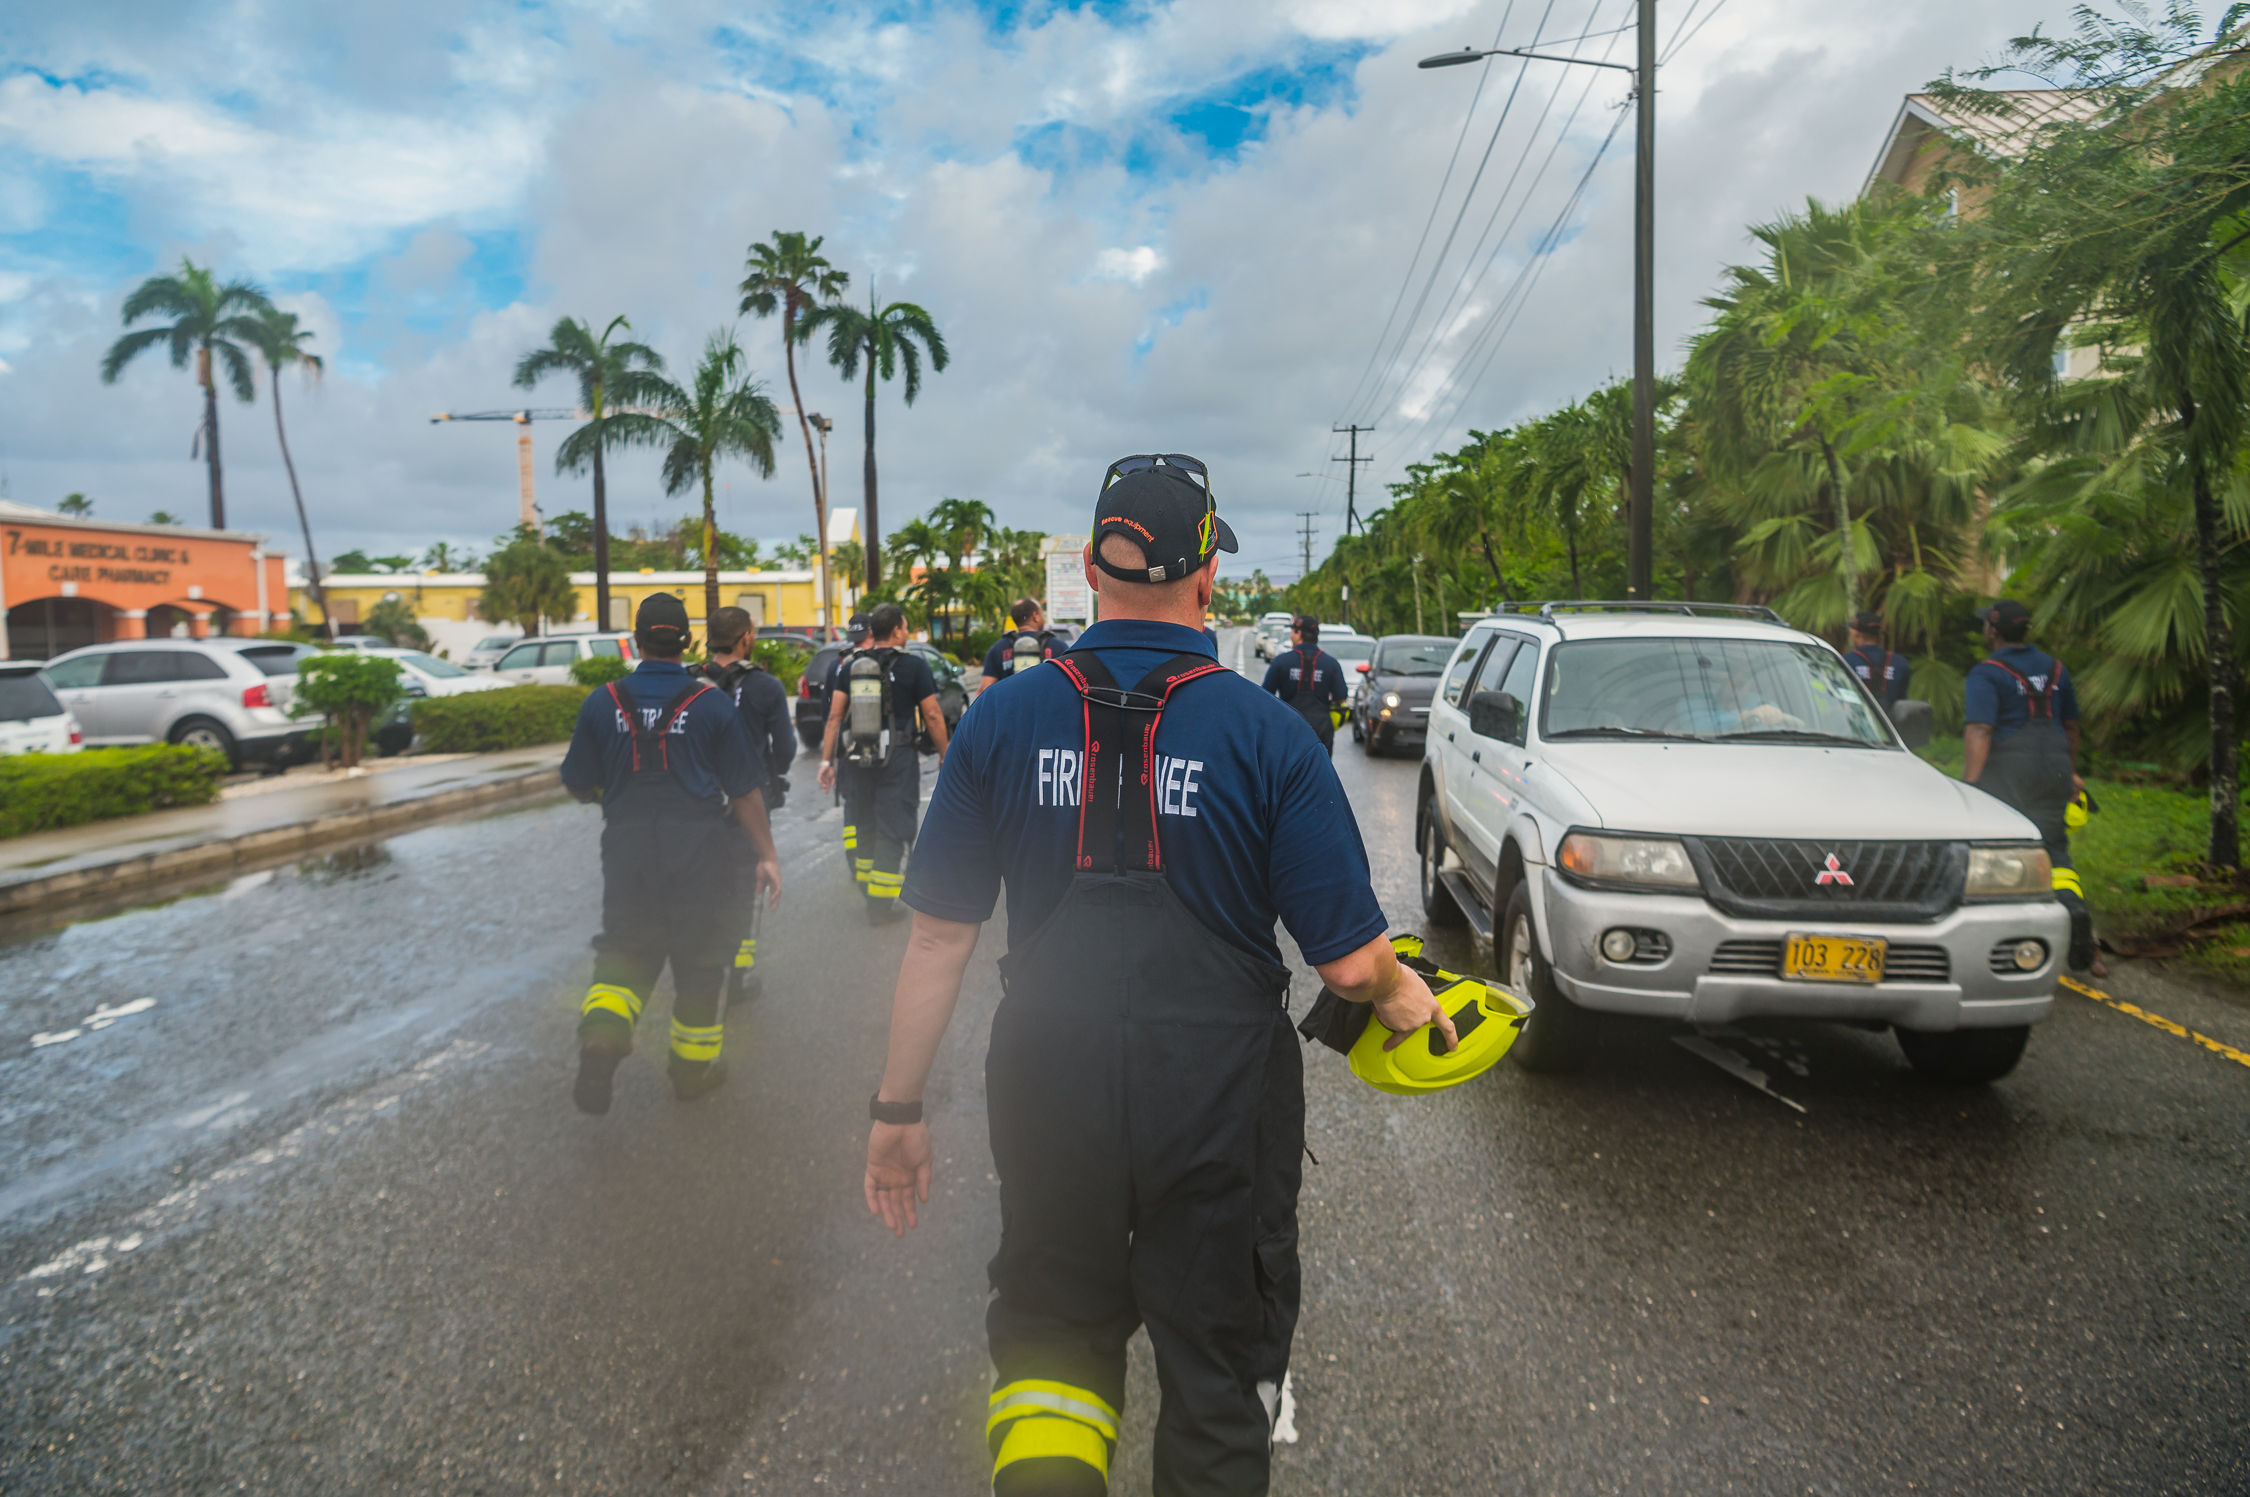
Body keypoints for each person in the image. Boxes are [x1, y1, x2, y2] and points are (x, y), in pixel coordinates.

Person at [861, 452, 1451, 1496]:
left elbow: (938, 939)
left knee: (1052, 1336)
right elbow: (1354, 963)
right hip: (1218, 1095)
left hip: (1047, 1075)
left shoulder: (1001, 719)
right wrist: (1412, 999)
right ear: (1209, 578)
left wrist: (897, 1108)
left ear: (1092, 566)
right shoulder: (1268, 735)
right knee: (1219, 1364)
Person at [559, 594, 782, 1113]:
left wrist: (609, 797)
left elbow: (576, 782)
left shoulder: (602, 701)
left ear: (637, 640)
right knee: (701, 958)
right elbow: (746, 791)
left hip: (626, 847)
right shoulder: (711, 705)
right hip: (699, 850)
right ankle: (690, 1072)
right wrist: (766, 854)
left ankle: (601, 1042)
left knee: (626, 950)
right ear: (687, 643)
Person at [1963, 598, 2102, 976]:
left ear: (1992, 630)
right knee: (2055, 852)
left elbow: (1980, 729)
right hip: (2054, 766)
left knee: (1995, 851)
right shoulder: (2056, 669)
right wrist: (2069, 773)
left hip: (2009, 772)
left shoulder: (1986, 673)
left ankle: (2004, 944)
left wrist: (1970, 786)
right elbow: (2071, 727)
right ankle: (2076, 918)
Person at [817, 603, 948, 922]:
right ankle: (879, 906)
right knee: (893, 829)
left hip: (857, 758)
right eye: (905, 627)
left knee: (865, 824)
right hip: (897, 760)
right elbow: (931, 714)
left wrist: (825, 762)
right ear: (898, 631)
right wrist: (947, 754)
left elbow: (835, 717)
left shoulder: (852, 665)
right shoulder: (913, 666)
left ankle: (867, 887)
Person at [705, 606, 795, 1000]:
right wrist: (770, 777)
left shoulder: (691, 683)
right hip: (749, 806)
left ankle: (704, 965)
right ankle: (738, 977)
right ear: (746, 638)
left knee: (702, 886)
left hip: (697, 808)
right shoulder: (765, 686)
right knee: (744, 887)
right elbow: (786, 747)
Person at [1260, 614, 1349, 754]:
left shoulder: (1282, 662)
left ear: (1298, 633)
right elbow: (1341, 697)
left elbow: (1265, 695)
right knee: (1319, 772)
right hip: (1321, 728)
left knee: (1288, 773)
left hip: (1289, 726)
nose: (1290, 635)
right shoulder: (1331, 663)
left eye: (1292, 631)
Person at [1844, 611, 1911, 713]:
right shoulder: (1900, 663)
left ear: (1857, 634)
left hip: (1855, 725)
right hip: (1891, 727)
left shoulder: (1846, 662)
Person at [983, 598, 1059, 684]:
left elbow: (985, 688)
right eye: (1041, 614)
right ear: (1035, 616)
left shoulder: (997, 648)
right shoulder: (1058, 645)